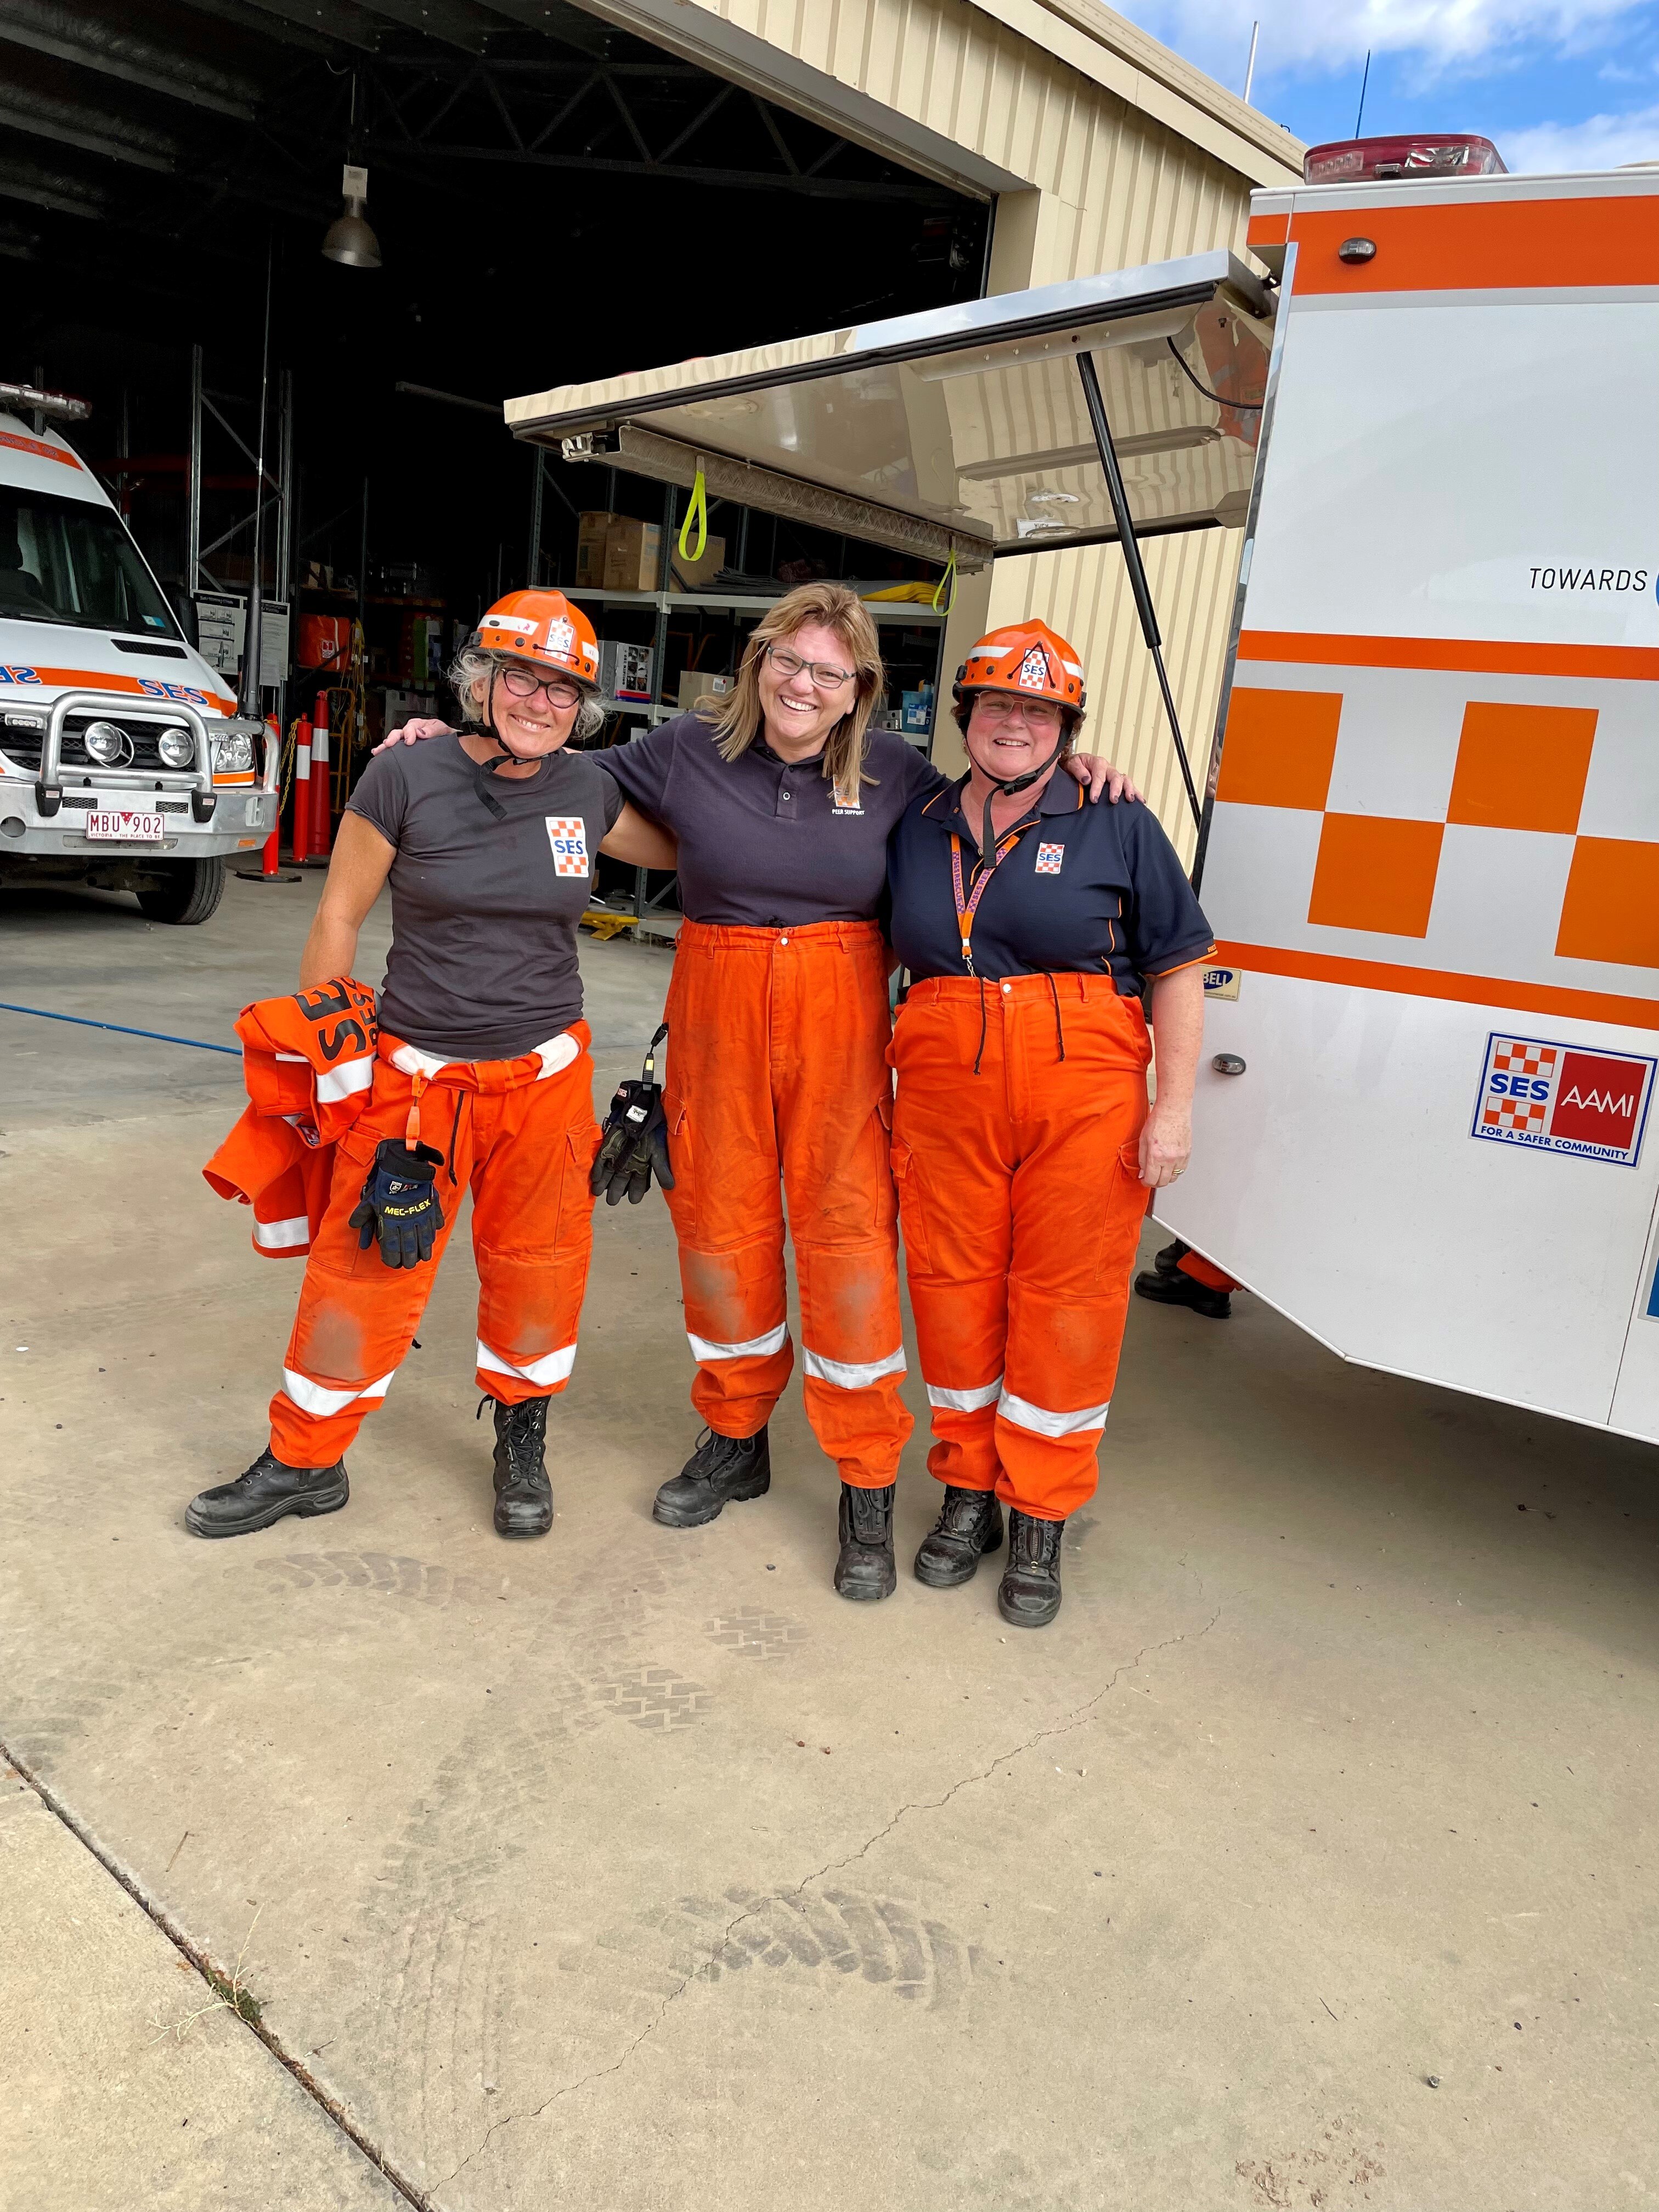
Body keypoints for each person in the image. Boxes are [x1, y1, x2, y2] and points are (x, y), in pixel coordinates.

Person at [381, 580, 1137, 1601]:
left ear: (860, 686)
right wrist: (446, 742)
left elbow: (998, 796)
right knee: (721, 1230)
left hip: (840, 1016)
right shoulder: (682, 750)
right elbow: (547, 772)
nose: (804, 682)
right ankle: (737, 1437)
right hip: (715, 1003)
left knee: (849, 1240)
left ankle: (865, 1482)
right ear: (759, 660)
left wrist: (1075, 770)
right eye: (789, 657)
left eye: (830, 669)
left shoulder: (900, 773)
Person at [184, 591, 676, 1542]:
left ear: (585, 706)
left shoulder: (587, 789)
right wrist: (328, 1063)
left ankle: (521, 1442)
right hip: (416, 1086)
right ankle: (304, 1459)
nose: (541, 701)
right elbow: (338, 917)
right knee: (358, 1273)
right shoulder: (405, 777)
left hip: (546, 1083)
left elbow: (713, 851)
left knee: (540, 1271)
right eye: (523, 678)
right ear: (480, 681)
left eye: (565, 689)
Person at [884, 618, 1215, 1627]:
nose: (1015, 724)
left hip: (1085, 1087)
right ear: (966, 716)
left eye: (1039, 710)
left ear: (1067, 726)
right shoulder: (917, 817)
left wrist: (1174, 1112)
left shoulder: (1116, 820)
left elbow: (1179, 965)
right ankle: (969, 1491)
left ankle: (1039, 1514)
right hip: (945, 1081)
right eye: (997, 705)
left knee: (1067, 1304)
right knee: (952, 1291)